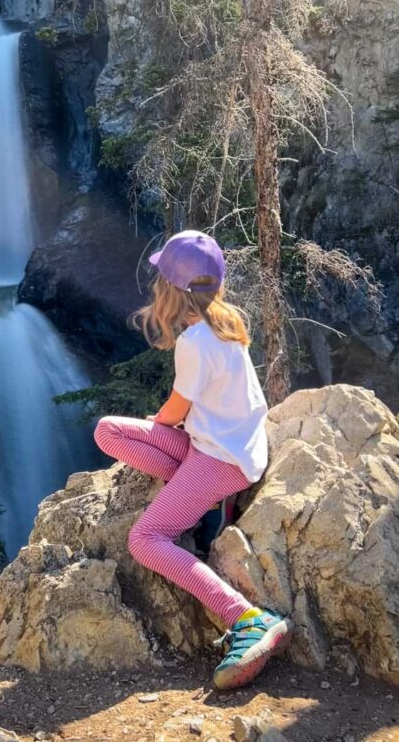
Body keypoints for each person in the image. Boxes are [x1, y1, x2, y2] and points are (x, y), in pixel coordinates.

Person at [93, 230, 293, 689]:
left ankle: (247, 619)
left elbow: (175, 411)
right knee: (109, 430)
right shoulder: (229, 324)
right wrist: (167, 430)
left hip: (220, 460)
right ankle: (199, 498)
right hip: (230, 445)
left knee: (146, 539)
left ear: (171, 291)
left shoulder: (195, 343)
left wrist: (160, 427)